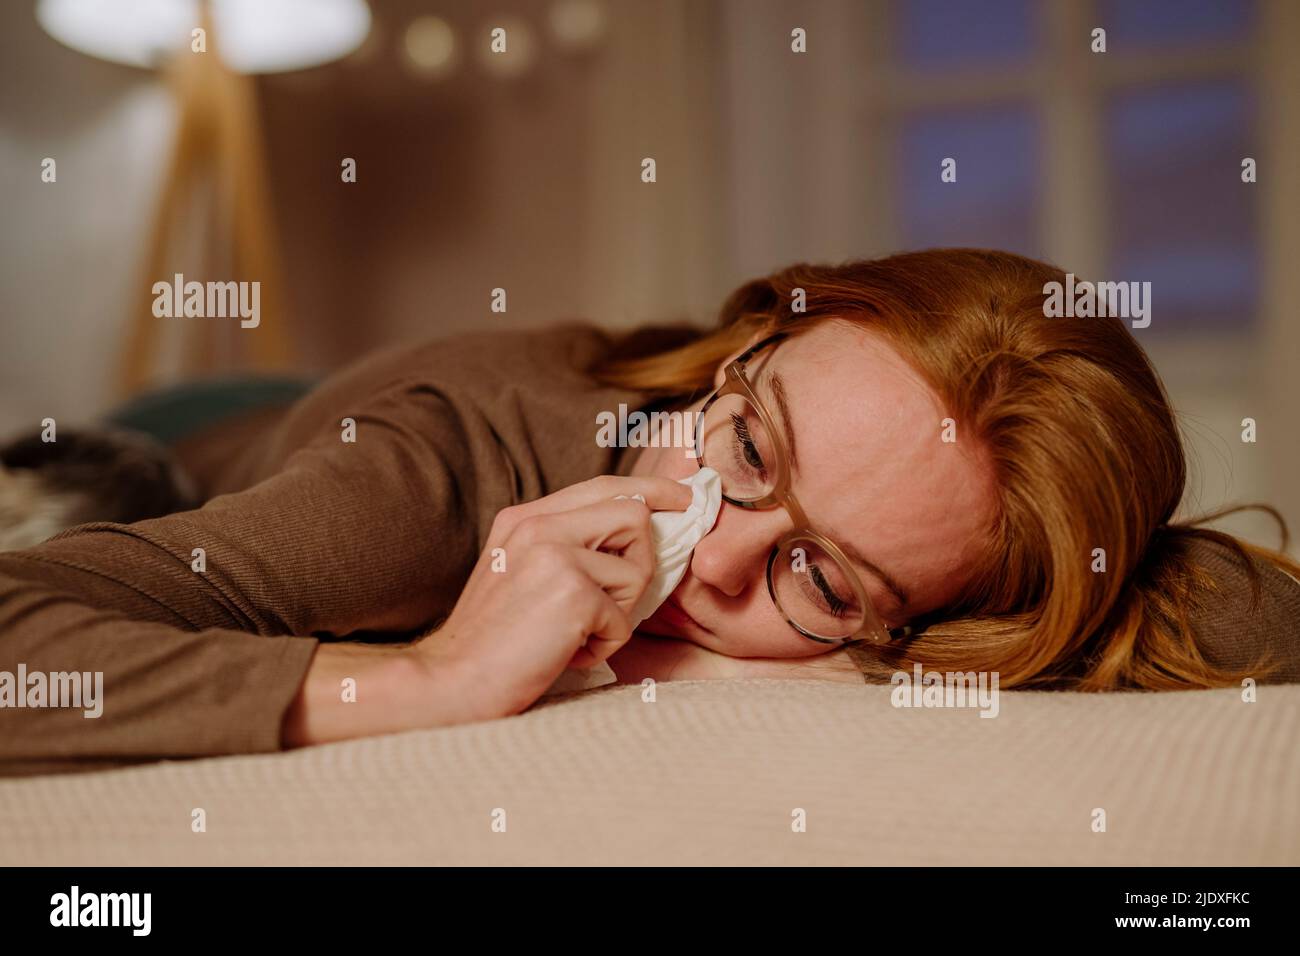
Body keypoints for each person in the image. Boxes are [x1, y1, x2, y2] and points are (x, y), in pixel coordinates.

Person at [2, 248, 1297, 777]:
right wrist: (425, 683)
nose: (715, 551)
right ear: (740, 351)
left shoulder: (916, 488)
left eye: (827, 581)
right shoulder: (418, 487)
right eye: (745, 445)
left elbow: (1232, 607)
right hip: (171, 441)